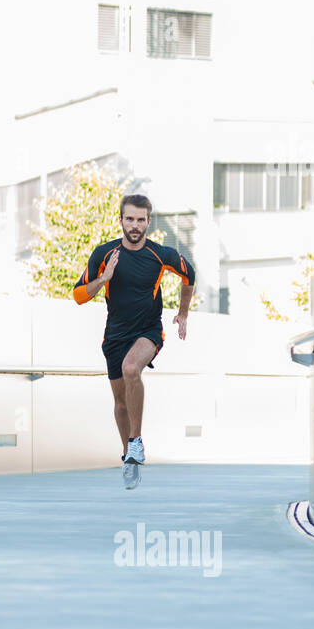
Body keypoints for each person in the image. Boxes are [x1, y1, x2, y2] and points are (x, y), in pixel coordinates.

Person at [72, 195, 196, 490]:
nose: (135, 225)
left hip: (148, 331)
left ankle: (136, 442)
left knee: (131, 369)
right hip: (114, 335)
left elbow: (189, 275)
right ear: (121, 220)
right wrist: (104, 278)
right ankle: (129, 457)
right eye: (130, 219)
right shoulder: (104, 253)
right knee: (120, 404)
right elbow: (78, 295)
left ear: (148, 222)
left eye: (141, 220)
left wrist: (182, 314)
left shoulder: (161, 254)